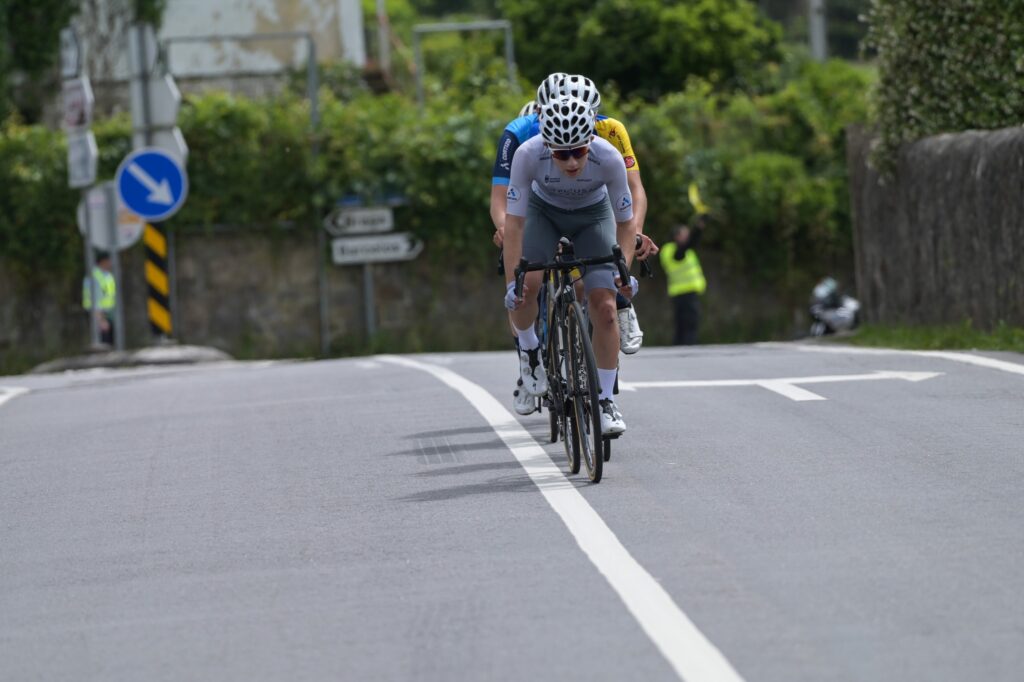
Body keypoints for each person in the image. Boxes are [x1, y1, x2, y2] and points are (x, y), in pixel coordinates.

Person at [490, 73, 654, 414]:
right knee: (528, 285)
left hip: (593, 214)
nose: (572, 162)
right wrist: (513, 282)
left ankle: (606, 401)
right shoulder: (525, 150)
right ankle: (531, 351)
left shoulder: (608, 152)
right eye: (562, 155)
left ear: (591, 137)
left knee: (604, 303)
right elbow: (515, 221)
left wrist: (622, 269)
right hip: (543, 212)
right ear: (546, 142)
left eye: (579, 152)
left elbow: (625, 221)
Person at [660, 219, 707, 345]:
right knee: (689, 323)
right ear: (676, 236)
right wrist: (697, 229)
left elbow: (691, 244)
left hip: (681, 292)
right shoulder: (673, 250)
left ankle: (679, 349)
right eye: (685, 234)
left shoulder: (681, 250)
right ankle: (688, 349)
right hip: (685, 292)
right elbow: (686, 247)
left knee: (681, 324)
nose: (688, 237)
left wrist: (698, 229)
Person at [82, 251, 116, 346]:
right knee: (103, 346)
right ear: (103, 261)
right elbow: (95, 300)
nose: (111, 263)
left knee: (109, 345)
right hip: (99, 316)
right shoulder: (95, 276)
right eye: (109, 261)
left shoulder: (106, 275)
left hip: (106, 314)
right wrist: (101, 320)